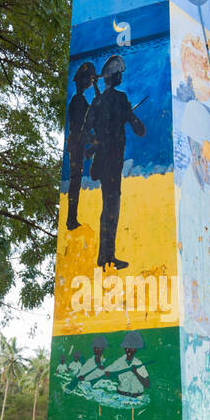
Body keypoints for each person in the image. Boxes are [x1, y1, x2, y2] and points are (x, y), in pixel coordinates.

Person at [85, 54, 146, 270]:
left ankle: (105, 255)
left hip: (101, 161)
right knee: (112, 207)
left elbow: (87, 130)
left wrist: (96, 142)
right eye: (119, 74)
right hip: (112, 161)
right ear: (114, 77)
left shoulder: (97, 101)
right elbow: (139, 129)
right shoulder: (120, 99)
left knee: (107, 206)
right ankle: (107, 256)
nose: (121, 77)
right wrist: (130, 118)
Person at [65, 62, 99, 230]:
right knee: (74, 183)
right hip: (76, 144)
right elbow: (81, 126)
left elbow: (89, 121)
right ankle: (71, 220)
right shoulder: (78, 101)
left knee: (75, 183)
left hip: (76, 143)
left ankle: (72, 219)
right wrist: (92, 140)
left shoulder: (79, 100)